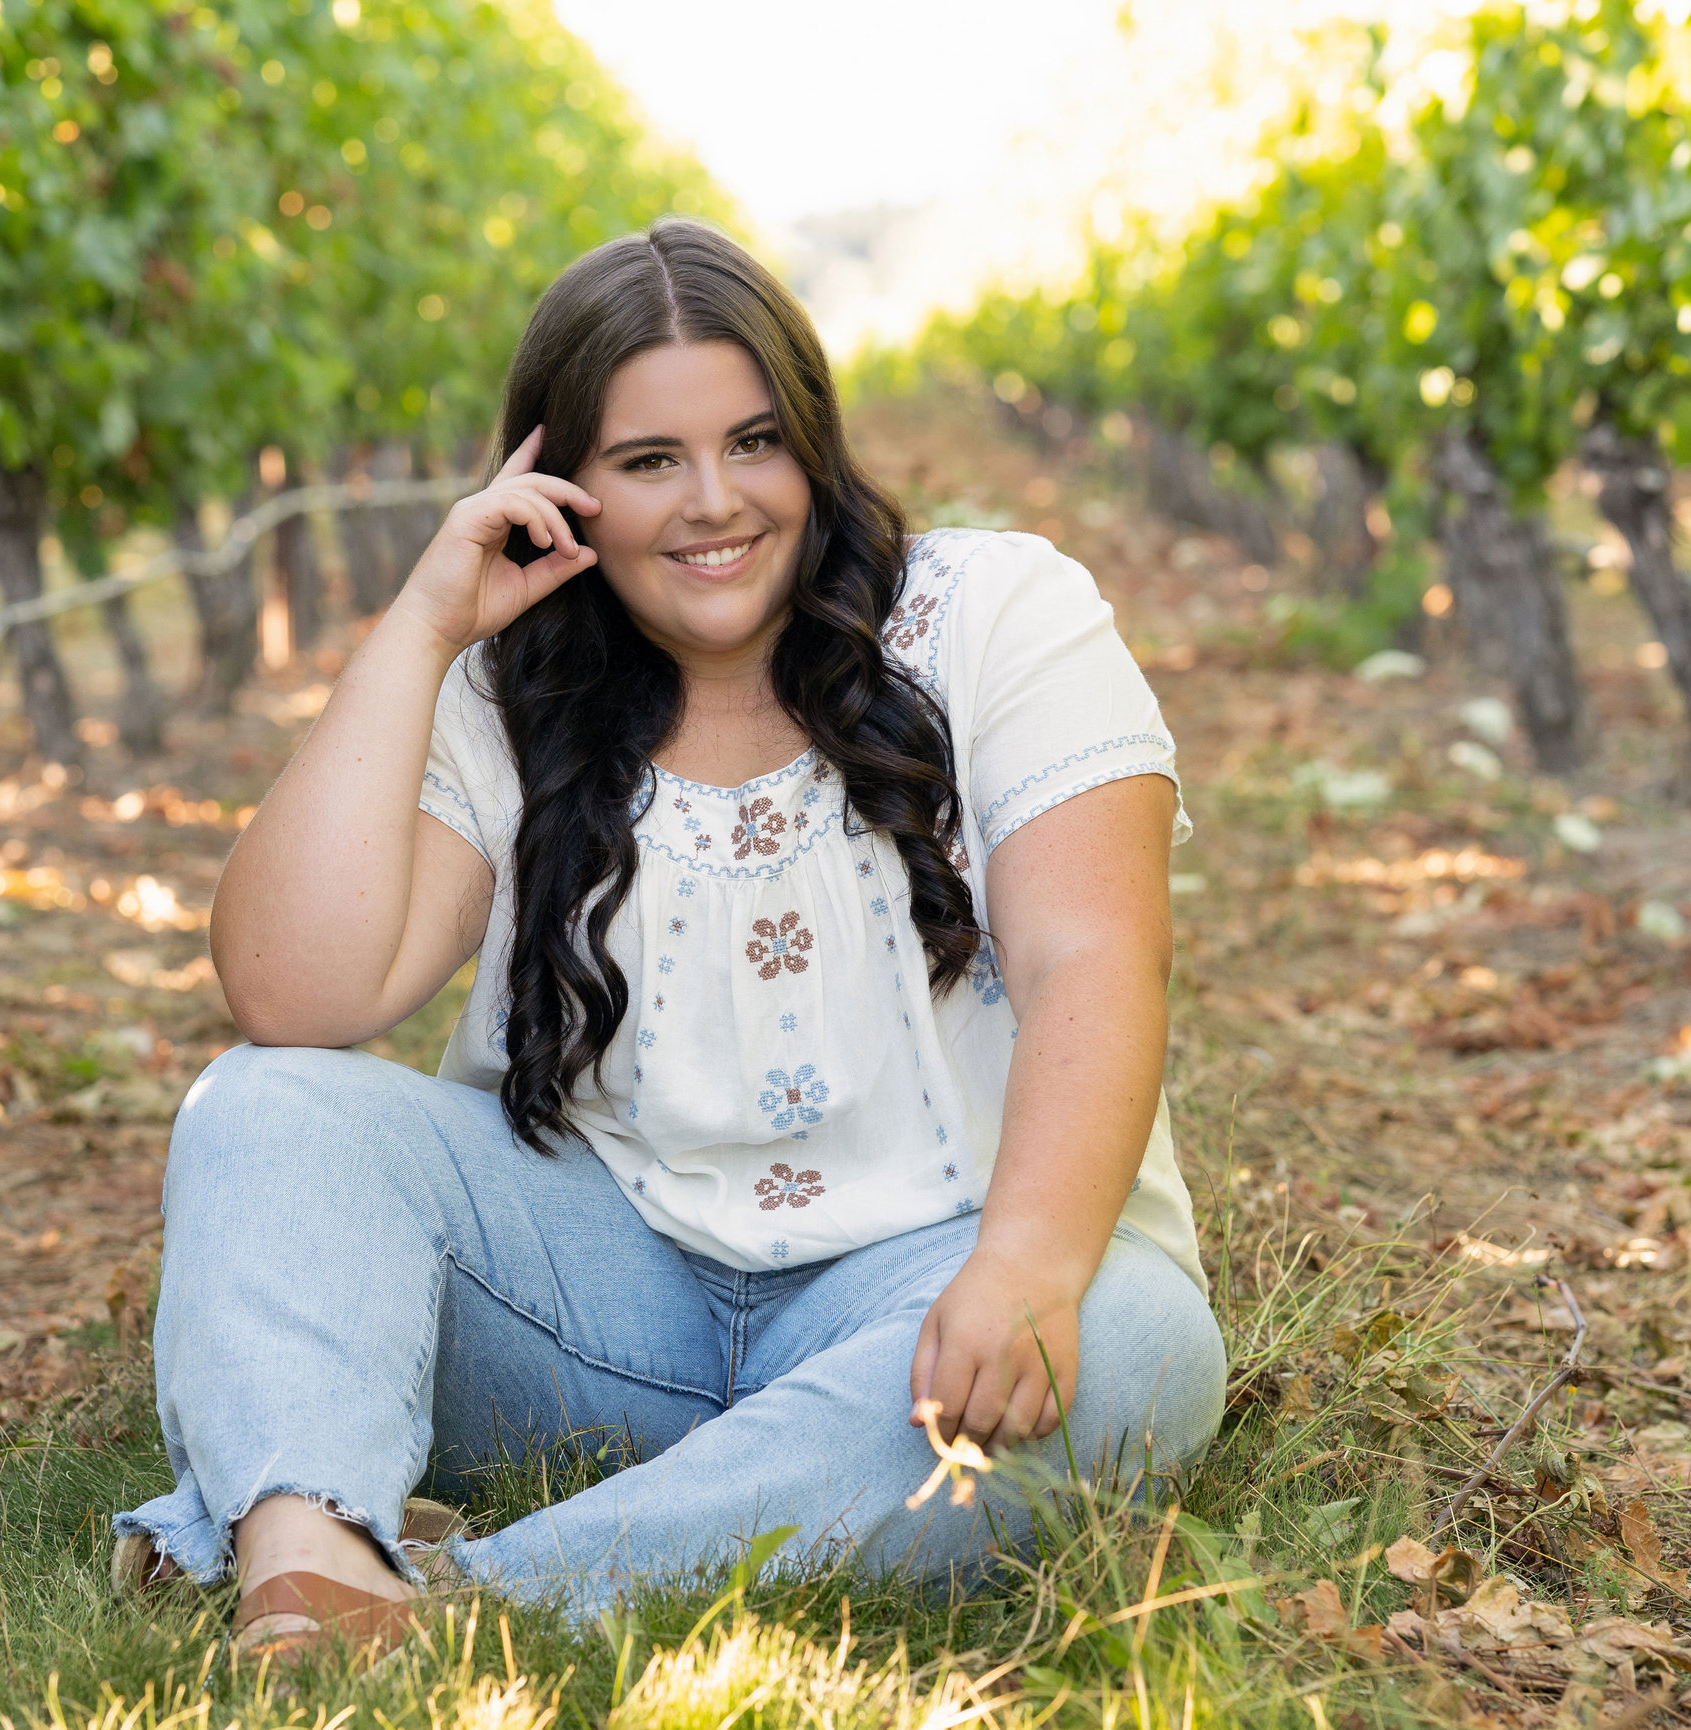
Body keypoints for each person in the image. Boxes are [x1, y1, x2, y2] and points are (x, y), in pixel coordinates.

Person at [112, 219, 1225, 1658]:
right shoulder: (511, 686)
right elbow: (293, 989)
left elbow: (1094, 956)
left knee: (1135, 1343)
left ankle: (453, 1601)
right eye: (650, 462)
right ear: (556, 480)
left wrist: (1024, 1262)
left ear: (813, 447)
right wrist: (423, 624)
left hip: (921, 1293)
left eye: (755, 442)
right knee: (263, 1106)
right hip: (589, 1299)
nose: (715, 502)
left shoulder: (993, 615)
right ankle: (313, 1535)